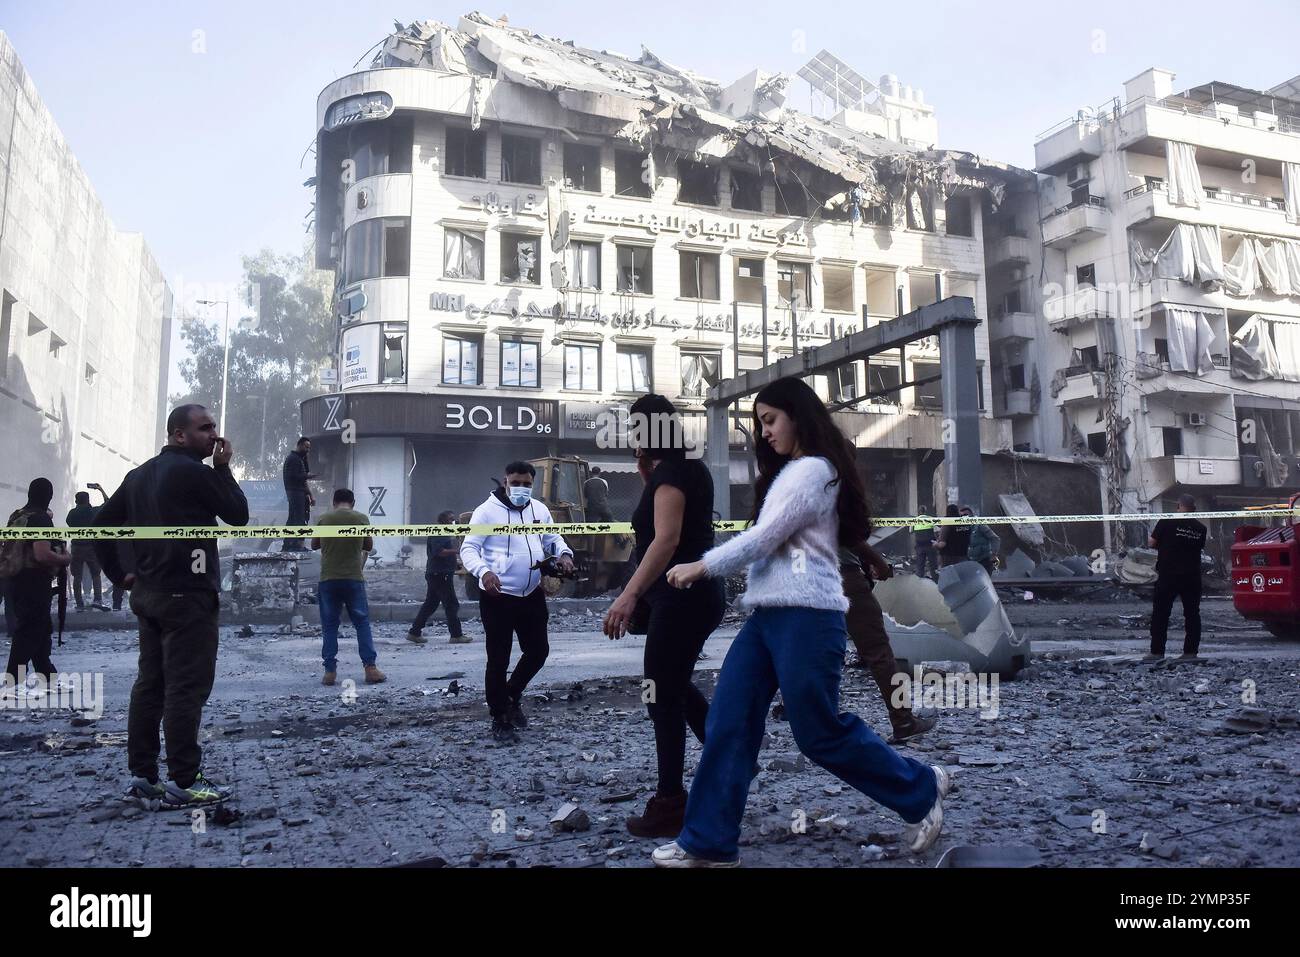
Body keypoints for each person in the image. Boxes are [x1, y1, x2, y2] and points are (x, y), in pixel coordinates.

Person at [650, 377, 948, 868]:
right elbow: (770, 543)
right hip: (766, 617)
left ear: (798, 415)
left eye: (770, 420)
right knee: (728, 721)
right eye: (760, 424)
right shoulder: (792, 472)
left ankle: (920, 788)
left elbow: (765, 538)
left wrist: (702, 566)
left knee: (818, 733)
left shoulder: (814, 470)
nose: (764, 432)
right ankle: (707, 843)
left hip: (809, 617)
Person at [95, 404, 249, 809]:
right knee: (185, 687)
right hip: (188, 597)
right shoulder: (195, 472)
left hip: (150, 595)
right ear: (179, 435)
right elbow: (238, 515)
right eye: (204, 428)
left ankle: (143, 777)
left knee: (151, 685)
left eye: (214, 426)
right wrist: (223, 468)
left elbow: (99, 526)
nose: (214, 435)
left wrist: (119, 574)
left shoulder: (138, 476)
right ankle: (185, 780)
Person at [603, 394, 725, 838]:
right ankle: (731, 758)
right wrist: (647, 477)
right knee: (672, 684)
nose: (631, 434)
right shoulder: (682, 470)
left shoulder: (673, 473)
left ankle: (671, 802)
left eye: (636, 426)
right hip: (692, 596)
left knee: (660, 695)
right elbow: (667, 529)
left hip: (682, 597)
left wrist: (628, 595)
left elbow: (666, 540)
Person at [460, 461, 574, 743]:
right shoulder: (486, 511)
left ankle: (511, 694)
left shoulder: (539, 509)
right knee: (498, 658)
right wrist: (484, 572)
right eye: (516, 483)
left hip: (531, 594)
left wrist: (564, 554)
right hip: (497, 596)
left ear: (532, 484)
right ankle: (499, 716)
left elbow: (552, 538)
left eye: (526, 484)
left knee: (538, 651)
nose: (521, 488)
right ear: (505, 482)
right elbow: (469, 548)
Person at [840, 539, 937, 743]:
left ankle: (798, 712)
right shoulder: (831, 516)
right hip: (844, 577)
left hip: (804, 582)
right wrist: (878, 562)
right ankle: (903, 720)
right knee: (878, 652)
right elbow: (849, 533)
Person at [312, 489, 385, 686]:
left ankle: (329, 672)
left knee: (329, 626)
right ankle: (370, 669)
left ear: (334, 501)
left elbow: (314, 545)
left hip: (328, 579)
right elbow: (368, 546)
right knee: (361, 623)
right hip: (353, 578)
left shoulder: (324, 519)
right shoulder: (361, 519)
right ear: (353, 502)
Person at [3, 479, 70, 686]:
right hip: (33, 581)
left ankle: (47, 676)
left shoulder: (18, 515)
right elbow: (41, 554)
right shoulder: (40, 519)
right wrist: (64, 558)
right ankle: (13, 681)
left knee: (40, 629)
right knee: (29, 631)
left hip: (15, 579)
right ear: (49, 496)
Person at [1147, 493, 1207, 662]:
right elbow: (1197, 547)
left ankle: (1157, 652)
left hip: (1169, 575)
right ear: (1194, 509)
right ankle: (1190, 653)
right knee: (1192, 614)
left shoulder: (1166, 522)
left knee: (1161, 613)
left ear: (1178, 506)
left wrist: (1165, 544)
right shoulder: (1201, 528)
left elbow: (1151, 543)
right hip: (1192, 576)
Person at [408, 510, 468, 645]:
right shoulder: (439, 532)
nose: (454, 522)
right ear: (443, 521)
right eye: (451, 519)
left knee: (431, 604)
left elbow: (441, 554)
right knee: (451, 604)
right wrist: (457, 551)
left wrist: (455, 564)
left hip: (438, 573)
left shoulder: (443, 533)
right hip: (440, 575)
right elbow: (439, 552)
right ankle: (456, 635)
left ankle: (414, 632)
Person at [66, 488, 109, 611]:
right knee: (96, 574)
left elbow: (69, 523)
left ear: (76, 501)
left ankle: (79, 604)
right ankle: (97, 600)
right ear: (88, 500)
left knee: (77, 576)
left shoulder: (72, 513)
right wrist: (100, 489)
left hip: (76, 547)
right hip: (91, 547)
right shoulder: (93, 511)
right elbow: (107, 503)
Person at [282, 437, 316, 552]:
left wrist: (310, 495)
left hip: (299, 492)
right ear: (300, 445)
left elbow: (303, 479)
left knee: (297, 518)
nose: (308, 450)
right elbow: (293, 477)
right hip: (294, 492)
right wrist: (307, 476)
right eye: (306, 447)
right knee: (298, 519)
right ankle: (294, 545)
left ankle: (292, 544)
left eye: (309, 448)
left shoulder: (301, 459)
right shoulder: (293, 459)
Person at [963, 505, 1000, 577]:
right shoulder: (964, 528)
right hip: (971, 561)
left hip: (984, 560)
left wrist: (994, 554)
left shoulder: (980, 525)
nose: (963, 517)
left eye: (965, 515)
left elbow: (995, 539)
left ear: (971, 515)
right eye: (961, 516)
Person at [934, 503, 971, 568]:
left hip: (948, 557)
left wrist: (935, 544)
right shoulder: (965, 524)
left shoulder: (947, 524)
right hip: (963, 554)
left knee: (949, 573)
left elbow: (942, 544)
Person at [912, 508, 937, 579]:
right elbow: (936, 530)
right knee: (933, 566)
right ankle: (935, 580)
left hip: (920, 546)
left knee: (920, 566)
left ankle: (919, 582)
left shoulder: (914, 520)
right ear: (925, 511)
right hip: (930, 545)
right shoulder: (930, 519)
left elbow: (911, 531)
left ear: (918, 512)